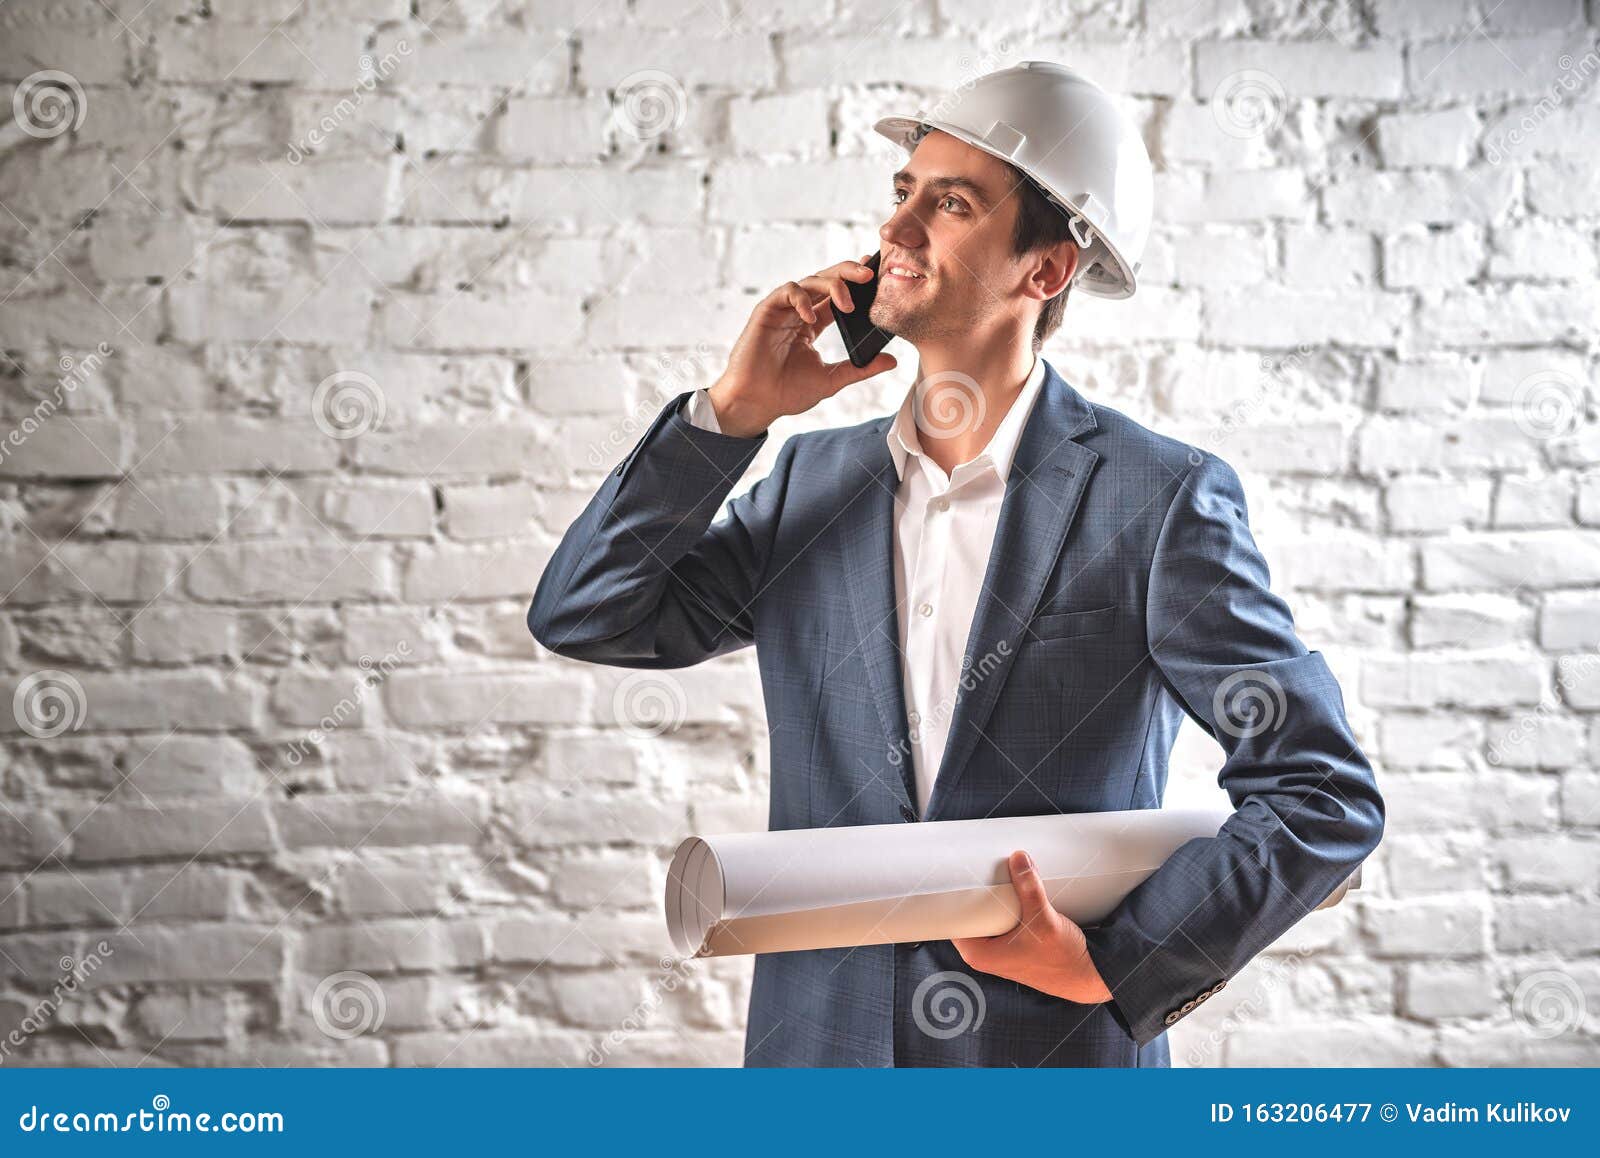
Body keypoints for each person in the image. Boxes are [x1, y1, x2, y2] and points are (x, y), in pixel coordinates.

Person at [528, 62, 1383, 1067]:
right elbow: (588, 613)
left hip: (1047, 1062)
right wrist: (733, 413)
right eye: (903, 192)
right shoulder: (811, 484)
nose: (895, 228)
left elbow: (1321, 793)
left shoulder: (1154, 501)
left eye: (951, 204)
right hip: (820, 1058)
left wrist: (1117, 964)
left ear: (1046, 270)